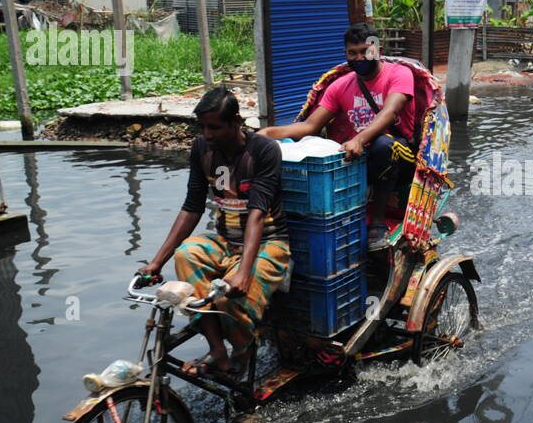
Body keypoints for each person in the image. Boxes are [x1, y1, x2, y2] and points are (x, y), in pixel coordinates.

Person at [141, 87, 290, 380]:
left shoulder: (263, 150)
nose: (207, 134)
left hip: (268, 243)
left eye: (215, 127)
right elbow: (191, 207)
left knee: (227, 300)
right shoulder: (201, 149)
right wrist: (156, 262)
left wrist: (244, 272)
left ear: (236, 122)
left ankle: (242, 353)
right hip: (224, 239)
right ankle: (217, 350)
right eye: (203, 127)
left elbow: (257, 213)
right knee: (186, 254)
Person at [262, 25, 418, 233]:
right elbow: (310, 126)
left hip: (399, 155)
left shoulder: (399, 74)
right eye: (352, 53)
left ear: (378, 51)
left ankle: (378, 221)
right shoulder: (339, 86)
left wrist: (359, 140)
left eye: (365, 51)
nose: (359, 58)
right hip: (356, 157)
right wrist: (267, 134)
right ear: (345, 54)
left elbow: (389, 112)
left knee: (384, 145)